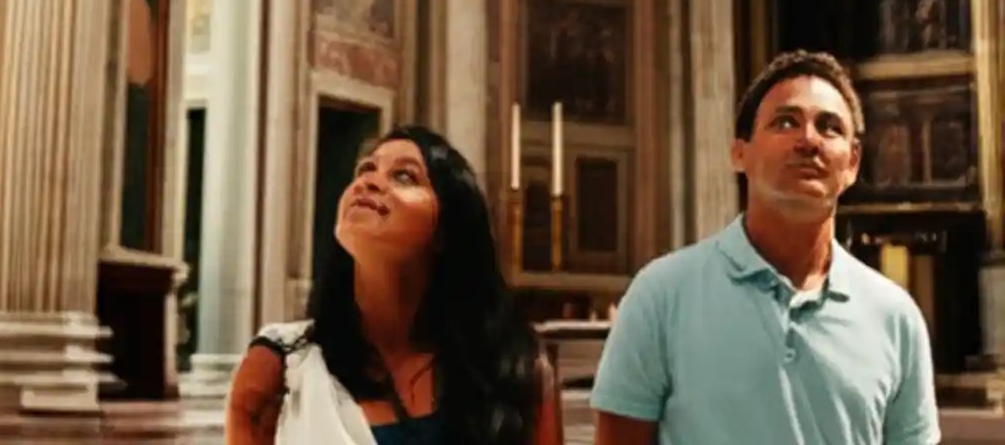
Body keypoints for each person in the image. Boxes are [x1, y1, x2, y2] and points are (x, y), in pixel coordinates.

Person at [591, 50, 939, 445]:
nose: (808, 140)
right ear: (740, 152)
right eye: (786, 122)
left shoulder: (895, 318)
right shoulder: (662, 294)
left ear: (853, 163)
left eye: (829, 127)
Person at [226, 125, 562, 445]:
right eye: (365, 170)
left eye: (404, 175)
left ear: (446, 229)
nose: (369, 182)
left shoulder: (512, 370)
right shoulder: (280, 366)